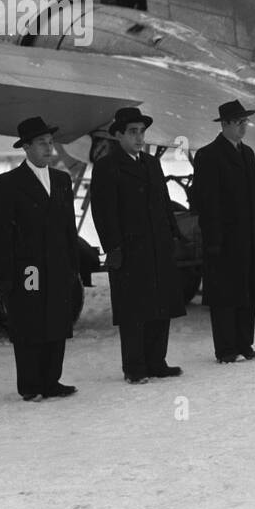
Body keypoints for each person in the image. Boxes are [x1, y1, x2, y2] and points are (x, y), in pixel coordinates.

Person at [90, 106, 185, 383]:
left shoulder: (151, 164)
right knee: (134, 311)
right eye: (133, 132)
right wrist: (114, 247)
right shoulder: (108, 167)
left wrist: (173, 234)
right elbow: (103, 212)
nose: (139, 137)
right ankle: (134, 367)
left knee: (160, 305)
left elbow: (165, 203)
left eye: (142, 132)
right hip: (130, 249)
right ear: (118, 135)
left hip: (157, 246)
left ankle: (157, 361)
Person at [0, 116, 80, 401]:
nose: (48, 148)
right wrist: (5, 279)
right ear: (26, 147)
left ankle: (52, 380)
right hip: (27, 268)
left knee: (56, 320)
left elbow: (68, 228)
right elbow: (0, 235)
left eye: (50, 142)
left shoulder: (62, 180)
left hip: (57, 266)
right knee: (29, 322)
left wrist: (72, 267)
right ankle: (30, 384)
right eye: (41, 143)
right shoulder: (7, 184)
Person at [192, 99, 255, 363]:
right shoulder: (209, 155)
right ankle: (226, 349)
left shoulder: (247, 153)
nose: (243, 127)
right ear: (225, 124)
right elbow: (206, 201)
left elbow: (253, 197)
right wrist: (214, 240)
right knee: (226, 295)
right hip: (224, 240)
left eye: (245, 122)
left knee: (247, 291)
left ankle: (244, 344)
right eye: (238, 123)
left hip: (248, 238)